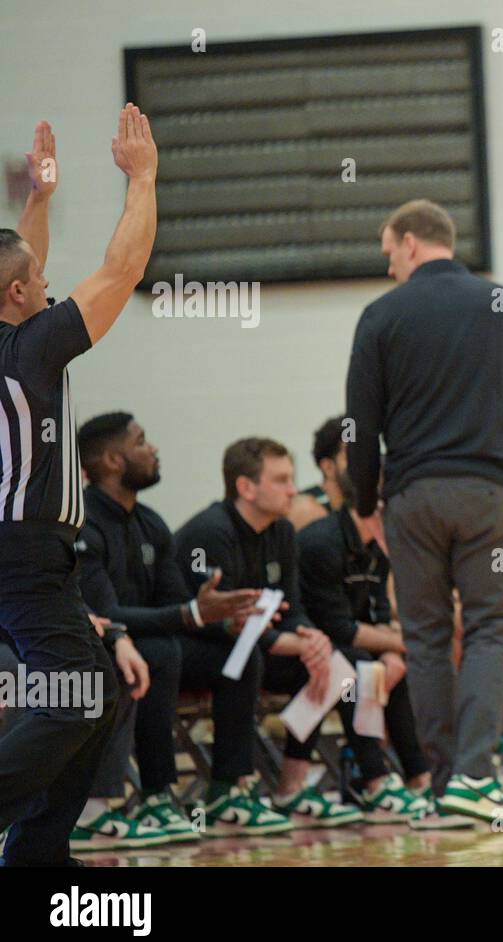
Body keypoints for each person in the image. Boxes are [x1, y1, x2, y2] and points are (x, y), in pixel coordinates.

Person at [346, 199, 503, 827]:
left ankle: (444, 786)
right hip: (489, 499)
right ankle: (475, 779)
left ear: (411, 243)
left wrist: (364, 503)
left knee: (426, 640)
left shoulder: (381, 314)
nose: (388, 265)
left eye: (389, 252)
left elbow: (359, 424)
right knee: (491, 630)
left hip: (412, 499)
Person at [0, 108, 156, 866]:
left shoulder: (14, 334)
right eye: (39, 282)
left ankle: (37, 854)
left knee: (94, 693)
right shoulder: (31, 350)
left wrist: (41, 197)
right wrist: (142, 179)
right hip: (25, 551)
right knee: (79, 696)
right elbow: (122, 272)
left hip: (28, 554)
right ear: (19, 294)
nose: (49, 284)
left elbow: (18, 266)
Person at [76, 411, 266, 844]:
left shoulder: (152, 523)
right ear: (112, 460)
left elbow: (177, 604)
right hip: (104, 647)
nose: (154, 449)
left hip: (155, 649)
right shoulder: (83, 523)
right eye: (142, 441)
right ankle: (156, 793)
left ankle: (226, 789)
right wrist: (190, 613)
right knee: (161, 652)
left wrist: (226, 620)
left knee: (236, 656)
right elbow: (108, 612)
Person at [175, 438, 370, 829]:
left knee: (339, 663)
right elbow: (222, 622)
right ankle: (226, 790)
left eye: (292, 479)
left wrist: (311, 638)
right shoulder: (211, 532)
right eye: (281, 480)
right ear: (246, 487)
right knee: (247, 659)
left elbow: (292, 608)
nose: (294, 490)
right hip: (193, 645)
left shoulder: (281, 531)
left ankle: (291, 787)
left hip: (252, 646)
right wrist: (293, 643)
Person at [296, 476, 436, 825]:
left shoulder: (377, 546)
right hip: (301, 650)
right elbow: (338, 628)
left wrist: (392, 652)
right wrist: (401, 643)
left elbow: (378, 614)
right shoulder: (322, 544)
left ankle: (419, 777)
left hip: (342, 649)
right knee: (359, 668)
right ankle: (375, 784)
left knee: (392, 667)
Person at [288, 415, 350, 530]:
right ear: (328, 467)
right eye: (351, 456)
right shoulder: (306, 508)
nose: (361, 463)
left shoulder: (365, 506)